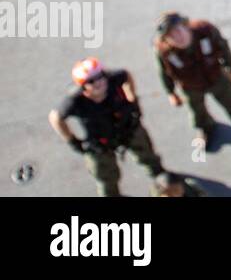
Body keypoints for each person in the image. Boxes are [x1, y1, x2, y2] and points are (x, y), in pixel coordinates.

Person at [48, 58, 167, 196]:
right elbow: (55, 117)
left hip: (128, 128)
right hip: (100, 143)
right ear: (83, 86)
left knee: (148, 155)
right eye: (91, 81)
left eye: (100, 77)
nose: (98, 82)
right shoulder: (76, 101)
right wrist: (72, 140)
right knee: (106, 178)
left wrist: (133, 99)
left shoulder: (114, 79)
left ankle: (161, 178)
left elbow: (127, 75)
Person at [154, 12, 231, 158]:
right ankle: (206, 128)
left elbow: (223, 46)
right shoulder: (165, 52)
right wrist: (171, 93)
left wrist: (230, 67)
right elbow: (164, 72)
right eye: (171, 35)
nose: (178, 37)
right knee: (197, 112)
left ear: (186, 26)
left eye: (179, 30)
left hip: (216, 78)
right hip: (190, 86)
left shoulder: (204, 31)